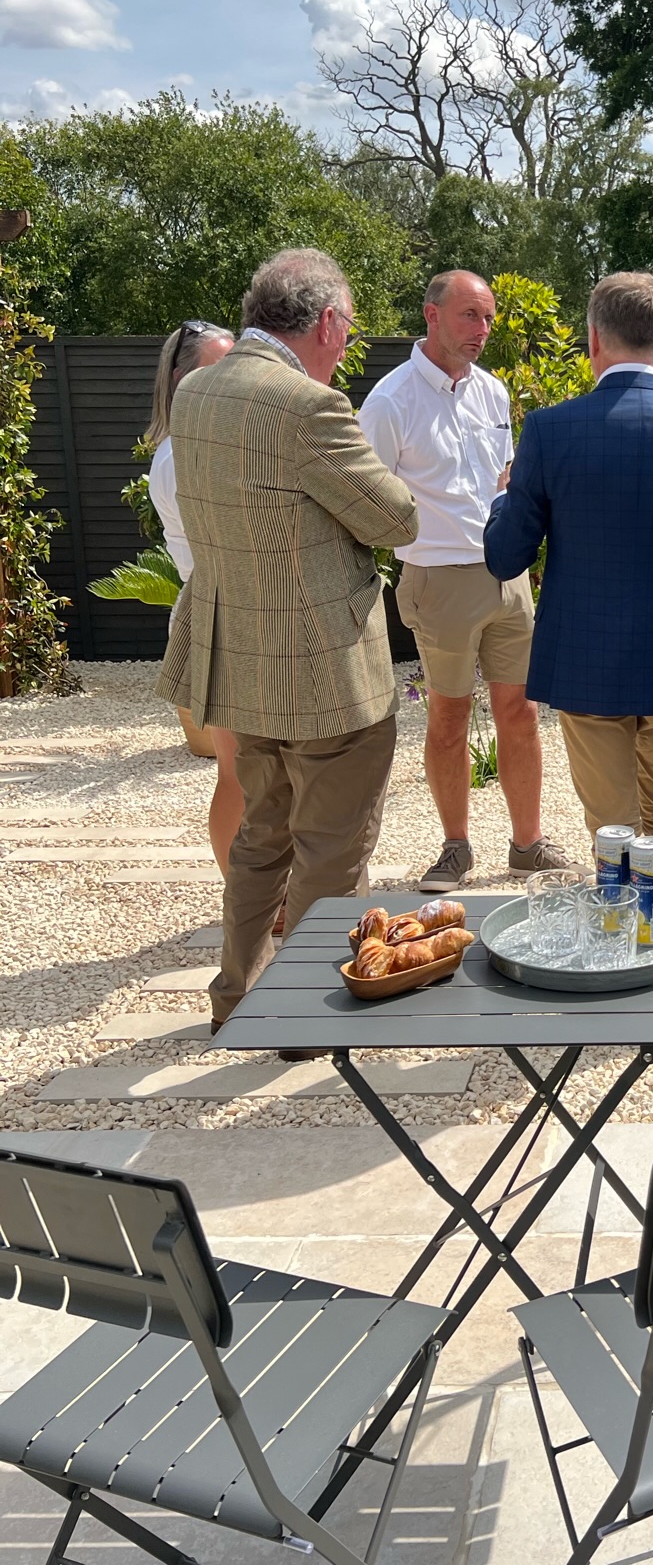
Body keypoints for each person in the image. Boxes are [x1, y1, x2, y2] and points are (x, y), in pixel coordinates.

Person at [157, 247, 419, 1036]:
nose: (348, 349)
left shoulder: (195, 392)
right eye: (348, 331)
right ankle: (306, 1018)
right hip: (325, 670)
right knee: (332, 852)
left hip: (239, 657)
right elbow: (396, 517)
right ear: (327, 321)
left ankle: (236, 995)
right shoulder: (307, 407)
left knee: (260, 836)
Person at [483, 271, 653, 891]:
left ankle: (623, 956)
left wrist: (502, 503)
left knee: (612, 823)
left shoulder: (550, 432)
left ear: (592, 341)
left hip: (587, 661)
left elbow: (505, 558)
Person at [359, 270, 571, 892]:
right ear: (431, 316)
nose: (482, 330)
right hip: (439, 578)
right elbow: (368, 498)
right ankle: (455, 848)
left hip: (507, 575)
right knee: (448, 718)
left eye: (488, 318)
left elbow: (502, 478)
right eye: (469, 316)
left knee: (522, 711)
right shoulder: (390, 401)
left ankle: (527, 844)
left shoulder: (493, 392)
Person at [146, 320, 243, 871]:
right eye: (216, 371)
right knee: (236, 768)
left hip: (227, 608)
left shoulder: (199, 446)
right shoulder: (181, 455)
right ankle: (244, 896)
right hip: (218, 615)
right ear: (182, 380)